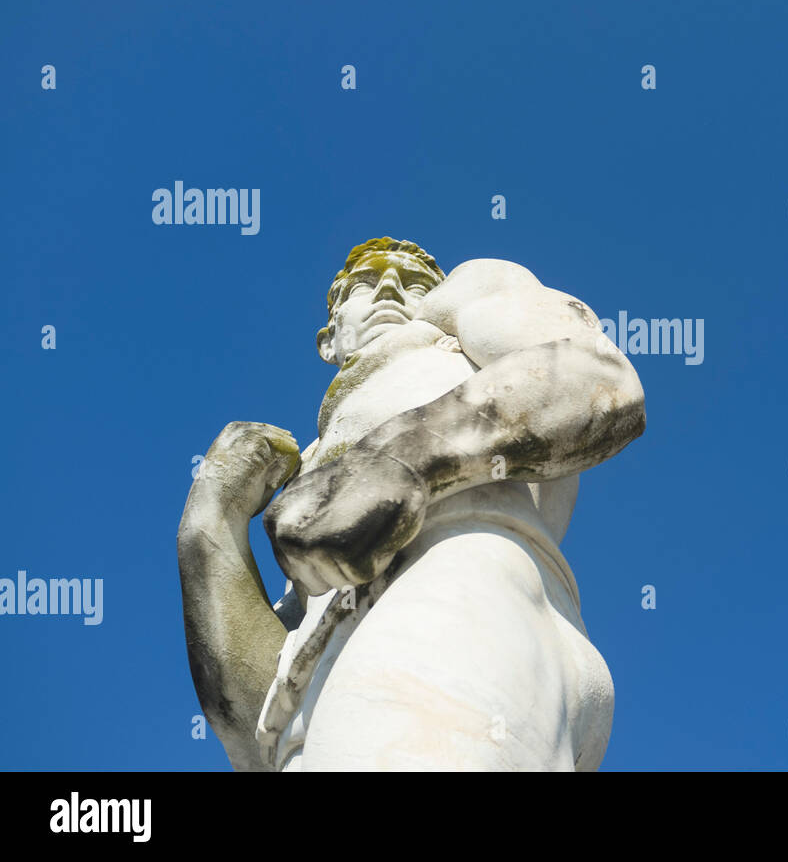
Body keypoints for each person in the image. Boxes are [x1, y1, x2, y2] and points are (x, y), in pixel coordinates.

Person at [178, 238, 645, 770]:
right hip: (350, 681)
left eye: (414, 281)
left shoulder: (455, 321)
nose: (391, 288)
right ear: (329, 340)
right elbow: (257, 731)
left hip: (462, 583)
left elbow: (598, 378)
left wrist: (397, 464)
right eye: (362, 284)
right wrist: (210, 524)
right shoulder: (316, 468)